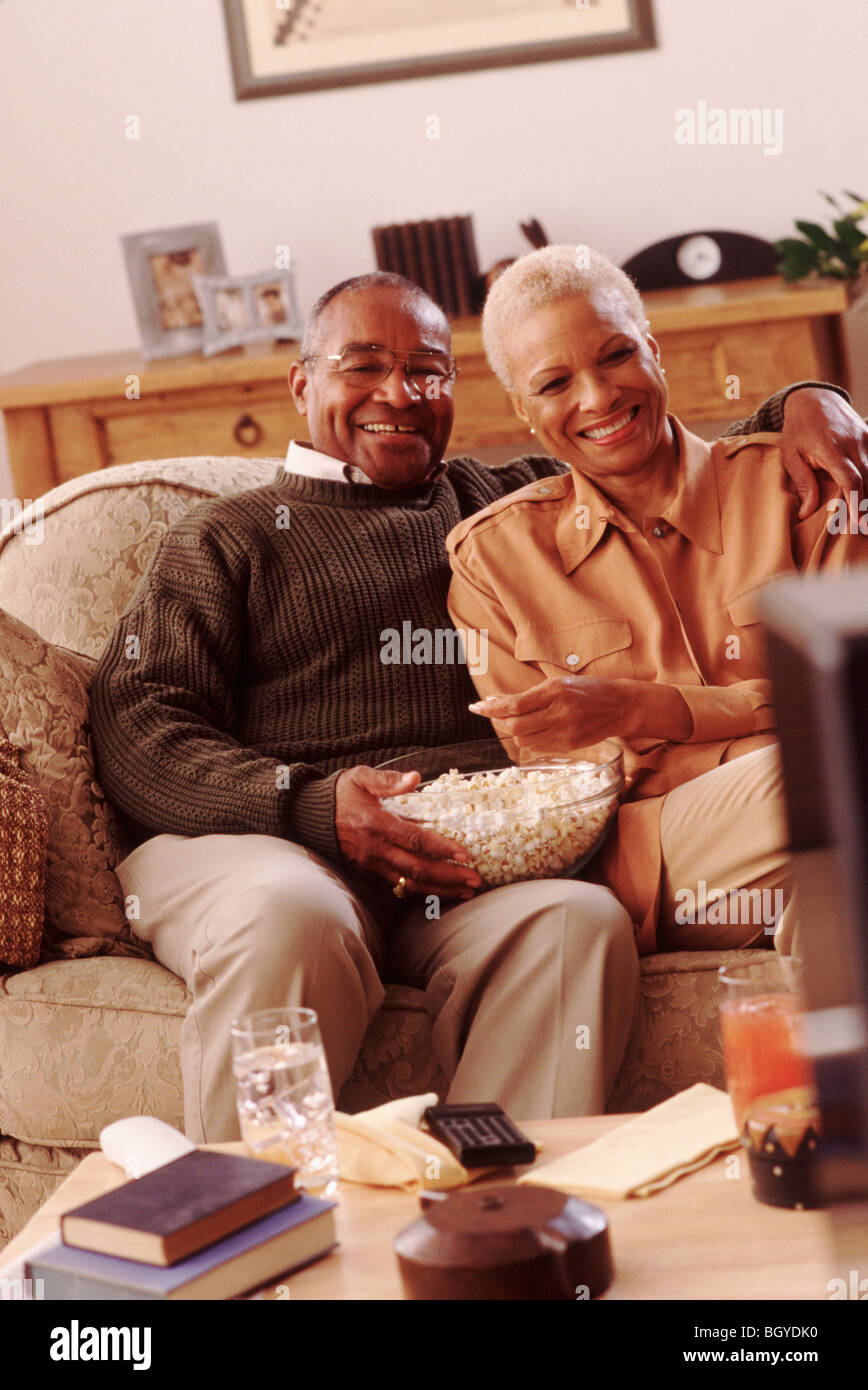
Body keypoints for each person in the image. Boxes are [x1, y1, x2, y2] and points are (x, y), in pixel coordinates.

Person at [90, 271, 868, 1140]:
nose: (400, 393)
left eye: (428, 369)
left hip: (450, 870)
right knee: (292, 914)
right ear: (302, 383)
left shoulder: (494, 503)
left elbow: (639, 425)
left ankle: (490, 1219)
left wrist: (815, 398)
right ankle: (252, 1234)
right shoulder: (225, 536)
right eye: (364, 366)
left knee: (576, 920)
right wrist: (308, 805)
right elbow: (137, 725)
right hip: (259, 844)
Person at [446, 247, 868, 961]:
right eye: (554, 382)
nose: (598, 398)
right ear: (521, 408)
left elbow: (851, 694)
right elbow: (567, 792)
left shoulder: (805, 488)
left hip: (812, 830)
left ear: (654, 349)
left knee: (838, 878)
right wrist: (774, 727)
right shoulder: (493, 561)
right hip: (658, 868)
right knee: (834, 764)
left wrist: (650, 713)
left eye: (615, 356)